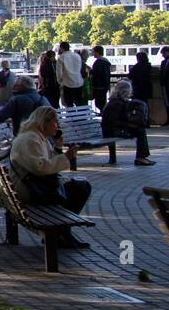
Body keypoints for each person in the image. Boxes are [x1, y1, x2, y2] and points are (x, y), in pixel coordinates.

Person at [10, 105, 92, 248]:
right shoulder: (31, 139)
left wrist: (59, 149)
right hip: (30, 190)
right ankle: (60, 232)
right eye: (55, 122)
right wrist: (66, 157)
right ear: (44, 122)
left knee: (80, 186)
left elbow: (46, 163)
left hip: (33, 185)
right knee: (80, 189)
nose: (57, 126)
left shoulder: (37, 136)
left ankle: (62, 232)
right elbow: (41, 167)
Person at [101, 79, 155, 166]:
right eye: (130, 90)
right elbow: (112, 121)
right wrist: (129, 125)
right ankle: (140, 157)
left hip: (114, 129)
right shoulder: (116, 103)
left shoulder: (120, 101)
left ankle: (141, 157)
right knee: (140, 131)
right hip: (111, 131)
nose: (131, 92)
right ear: (126, 91)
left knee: (140, 129)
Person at [55, 42, 84, 109]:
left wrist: (59, 82)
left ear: (62, 48)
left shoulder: (61, 58)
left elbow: (59, 72)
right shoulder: (77, 56)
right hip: (79, 82)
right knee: (79, 103)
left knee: (69, 103)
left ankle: (72, 118)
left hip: (68, 84)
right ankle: (81, 118)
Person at [89, 46, 112, 114]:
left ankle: (103, 113)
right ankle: (103, 113)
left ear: (97, 52)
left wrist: (90, 71)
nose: (92, 53)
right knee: (102, 101)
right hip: (104, 85)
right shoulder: (105, 61)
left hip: (98, 86)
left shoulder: (98, 62)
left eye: (93, 51)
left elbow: (96, 73)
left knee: (99, 102)